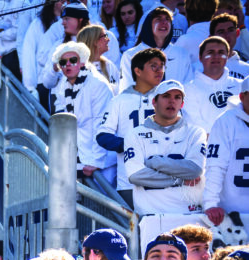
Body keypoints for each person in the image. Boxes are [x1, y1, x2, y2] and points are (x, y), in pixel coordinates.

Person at [124, 80, 208, 245]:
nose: (172, 101)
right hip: (152, 216)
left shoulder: (196, 132)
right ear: (154, 101)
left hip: (189, 214)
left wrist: (156, 162)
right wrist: (179, 179)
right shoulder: (135, 134)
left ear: (182, 103)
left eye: (177, 97)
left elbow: (195, 170)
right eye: (166, 96)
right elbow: (136, 175)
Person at [97, 47, 166, 207]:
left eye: (161, 66)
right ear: (138, 71)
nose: (159, 70)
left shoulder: (169, 99)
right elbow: (103, 136)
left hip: (163, 180)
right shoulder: (119, 101)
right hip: (129, 182)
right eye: (153, 66)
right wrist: (129, 144)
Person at [50, 41, 117, 184]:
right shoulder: (62, 85)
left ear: (82, 62)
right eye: (63, 62)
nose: (68, 64)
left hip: (102, 159)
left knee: (103, 202)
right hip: (80, 156)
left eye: (73, 60)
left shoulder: (97, 84)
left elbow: (102, 124)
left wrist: (96, 161)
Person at [202, 76, 249, 223]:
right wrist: (210, 203)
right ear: (242, 96)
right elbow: (215, 166)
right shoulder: (226, 122)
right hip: (232, 214)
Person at [118, 7, 192, 91]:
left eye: (167, 19)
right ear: (148, 25)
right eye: (158, 19)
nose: (164, 22)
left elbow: (188, 88)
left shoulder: (181, 54)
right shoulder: (130, 55)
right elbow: (127, 90)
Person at [183, 36, 241, 133]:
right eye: (210, 52)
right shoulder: (188, 89)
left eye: (221, 52)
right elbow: (195, 125)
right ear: (200, 57)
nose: (216, 56)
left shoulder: (241, 86)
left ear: (227, 57)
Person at [209, 13, 249, 78]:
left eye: (230, 30)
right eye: (221, 32)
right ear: (211, 38)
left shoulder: (247, 69)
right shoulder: (199, 68)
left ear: (237, 33)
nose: (226, 35)